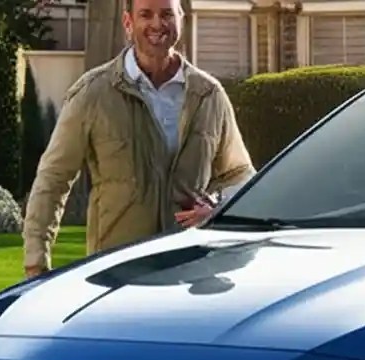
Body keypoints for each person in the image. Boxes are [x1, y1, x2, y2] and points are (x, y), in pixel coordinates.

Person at [21, 0, 255, 278]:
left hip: (190, 271)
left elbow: (240, 174)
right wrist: (36, 261)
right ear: (128, 23)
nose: (157, 24)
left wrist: (217, 207)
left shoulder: (209, 95)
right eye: (146, 14)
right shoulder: (93, 94)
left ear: (182, 19)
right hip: (115, 274)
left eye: (167, 14)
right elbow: (54, 178)